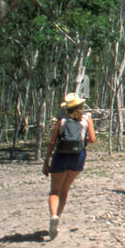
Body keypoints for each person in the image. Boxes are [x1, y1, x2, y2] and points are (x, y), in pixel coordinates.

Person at [42, 92, 95, 240]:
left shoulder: (61, 121)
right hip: (78, 157)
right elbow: (92, 139)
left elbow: (52, 142)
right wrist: (80, 142)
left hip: (61, 156)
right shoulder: (87, 119)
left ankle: (53, 216)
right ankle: (58, 218)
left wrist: (46, 161)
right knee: (65, 190)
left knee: (54, 191)